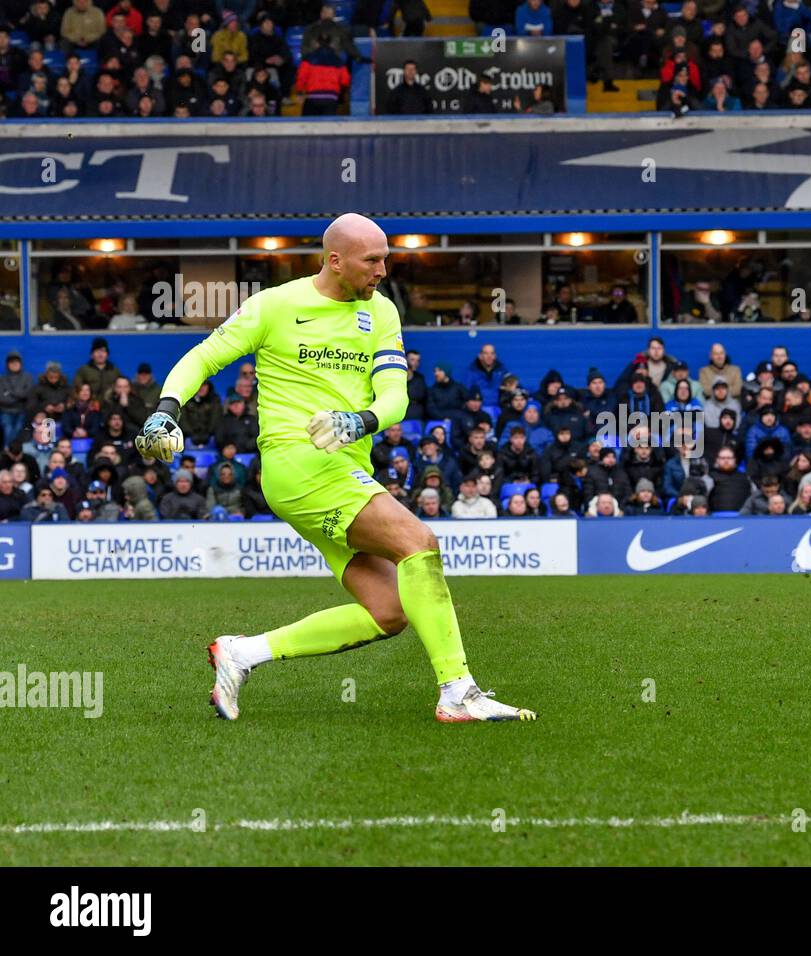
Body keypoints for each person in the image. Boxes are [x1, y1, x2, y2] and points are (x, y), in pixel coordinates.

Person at [134, 213, 533, 723]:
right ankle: (458, 692)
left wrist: (360, 420)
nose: (383, 270)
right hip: (298, 465)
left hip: (343, 468)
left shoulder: (382, 312)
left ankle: (242, 652)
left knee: (388, 612)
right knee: (419, 542)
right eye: (372, 260)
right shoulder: (276, 305)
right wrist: (167, 410)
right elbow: (204, 358)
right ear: (335, 260)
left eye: (386, 258)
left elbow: (395, 396)